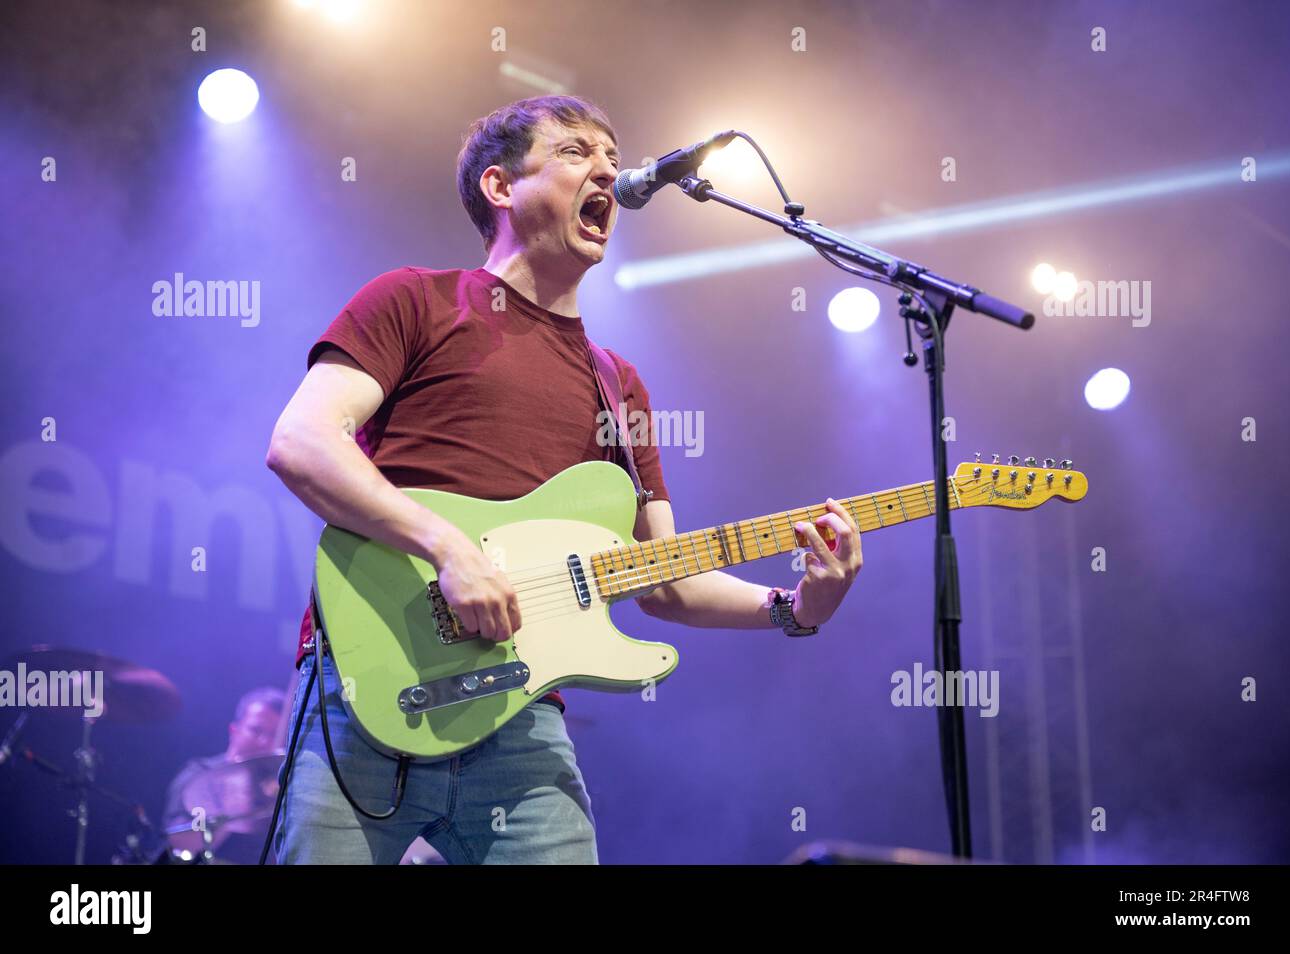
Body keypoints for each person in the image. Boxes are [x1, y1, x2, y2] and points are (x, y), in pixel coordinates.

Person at [265, 95, 863, 865]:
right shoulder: (414, 299)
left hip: (523, 719)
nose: (609, 172)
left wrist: (797, 606)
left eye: (614, 160)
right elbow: (302, 441)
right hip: (365, 687)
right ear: (500, 187)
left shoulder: (619, 384)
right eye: (578, 152)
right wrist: (450, 550)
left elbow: (665, 579)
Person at [163, 687, 284, 864]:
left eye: (274, 735)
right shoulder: (199, 773)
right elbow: (180, 846)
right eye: (256, 730)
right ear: (234, 730)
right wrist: (236, 798)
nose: (265, 742)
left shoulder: (281, 787)